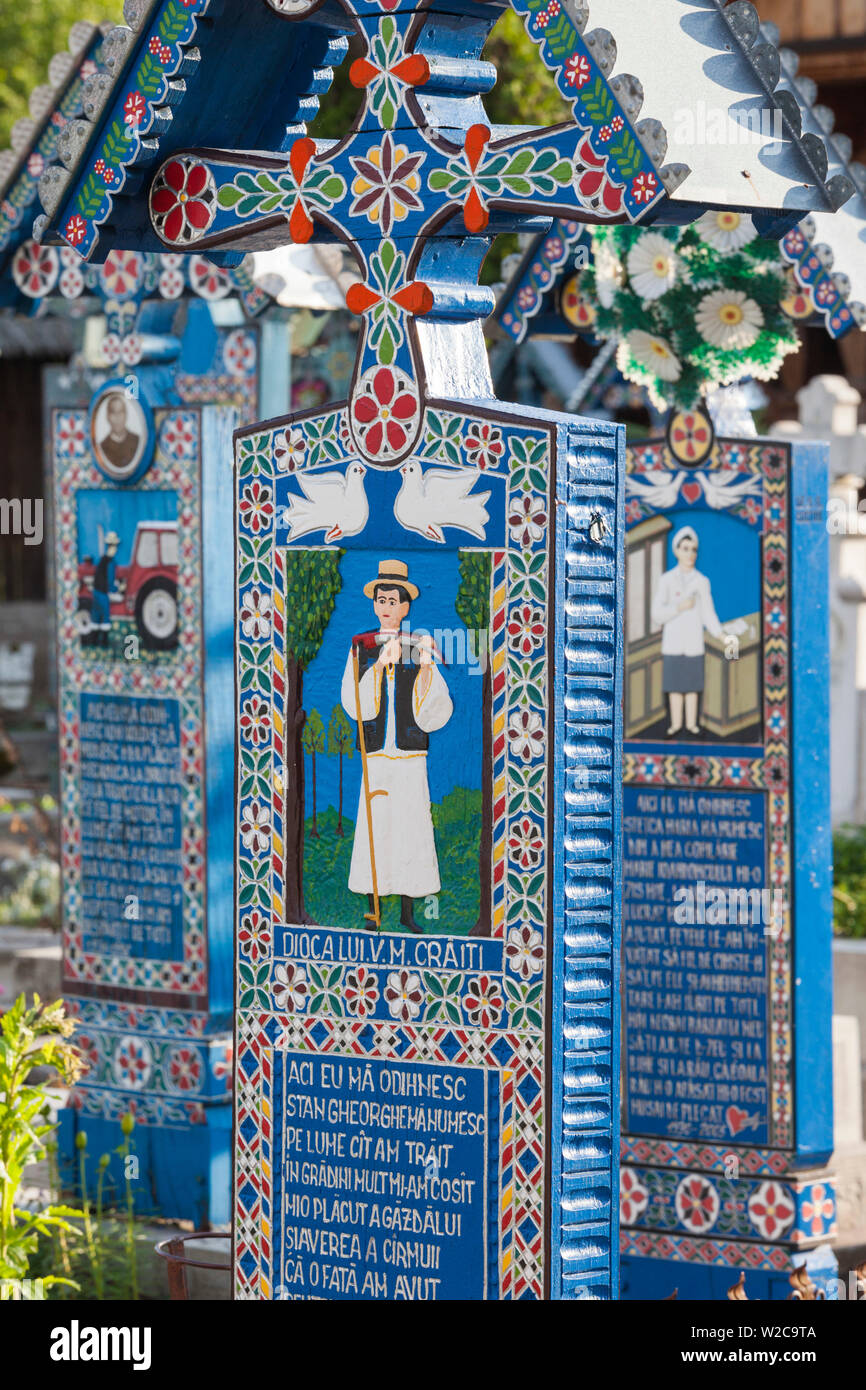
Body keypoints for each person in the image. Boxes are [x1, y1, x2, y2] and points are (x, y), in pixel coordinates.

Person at [340, 559, 452, 933]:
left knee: (410, 828)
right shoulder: (361, 648)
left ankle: (407, 912)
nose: (387, 607)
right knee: (377, 827)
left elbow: (433, 712)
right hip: (376, 755)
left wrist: (425, 668)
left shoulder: (416, 646)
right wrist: (375, 669)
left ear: (406, 607)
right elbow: (355, 705)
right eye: (381, 600)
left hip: (409, 754)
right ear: (375, 605)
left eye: (394, 601)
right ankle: (373, 911)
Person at [650, 525, 738, 736]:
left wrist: (721, 635)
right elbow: (657, 613)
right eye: (685, 548)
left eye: (693, 549)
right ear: (677, 550)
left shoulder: (701, 582)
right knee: (674, 686)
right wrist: (679, 607)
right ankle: (675, 723)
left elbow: (708, 613)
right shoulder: (667, 580)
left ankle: (690, 724)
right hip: (672, 643)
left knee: (691, 686)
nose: (690, 554)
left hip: (692, 642)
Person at [90, 531, 120, 648]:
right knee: (105, 618)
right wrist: (118, 588)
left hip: (96, 593)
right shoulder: (111, 563)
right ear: (113, 547)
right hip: (103, 594)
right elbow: (110, 582)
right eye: (115, 546)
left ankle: (93, 642)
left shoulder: (101, 560)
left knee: (96, 617)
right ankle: (104, 644)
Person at [98, 394, 140, 473]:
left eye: (120, 412)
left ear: (126, 415)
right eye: (113, 413)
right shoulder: (102, 446)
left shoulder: (137, 441)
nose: (117, 417)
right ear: (108, 416)